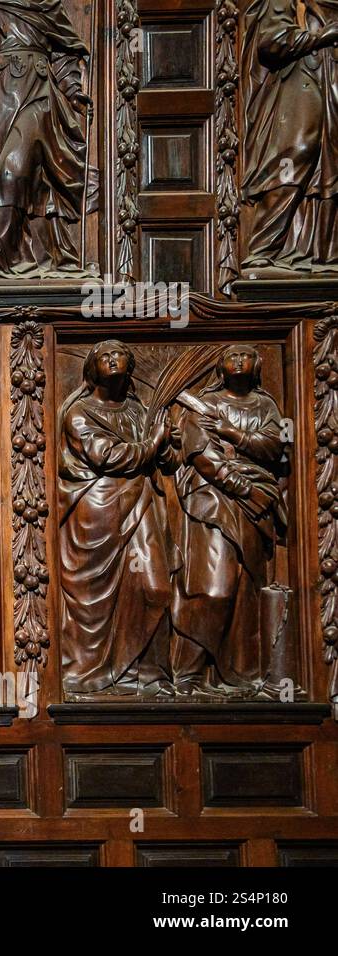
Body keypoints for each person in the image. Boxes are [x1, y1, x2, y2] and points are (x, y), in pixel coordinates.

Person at [58, 339, 175, 696]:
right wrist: (152, 444)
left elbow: (164, 461)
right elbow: (106, 456)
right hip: (99, 511)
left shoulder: (139, 412)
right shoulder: (79, 412)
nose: (113, 359)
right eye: (104, 355)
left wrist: (169, 443)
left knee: (154, 586)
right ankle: (94, 673)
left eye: (120, 353)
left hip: (141, 503)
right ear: (92, 368)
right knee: (96, 595)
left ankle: (150, 674)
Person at [171, 345, 289, 695]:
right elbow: (199, 453)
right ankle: (188, 674)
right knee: (214, 586)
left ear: (257, 366)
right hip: (214, 500)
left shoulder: (266, 405)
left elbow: (274, 447)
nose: (239, 360)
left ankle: (239, 677)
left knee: (245, 587)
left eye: (246, 355)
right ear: (220, 367)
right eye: (231, 355)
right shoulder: (203, 404)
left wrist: (232, 433)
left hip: (257, 503)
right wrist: (241, 487)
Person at [0, 0, 92, 279]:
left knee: (13, 170)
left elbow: (63, 56)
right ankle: (15, 256)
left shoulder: (48, 6)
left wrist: (74, 91)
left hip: (40, 96)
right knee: (14, 175)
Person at [240, 0, 338, 271]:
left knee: (329, 169)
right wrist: (321, 36)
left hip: (331, 84)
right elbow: (272, 40)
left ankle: (324, 253)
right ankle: (264, 247)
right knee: (295, 153)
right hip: (304, 79)